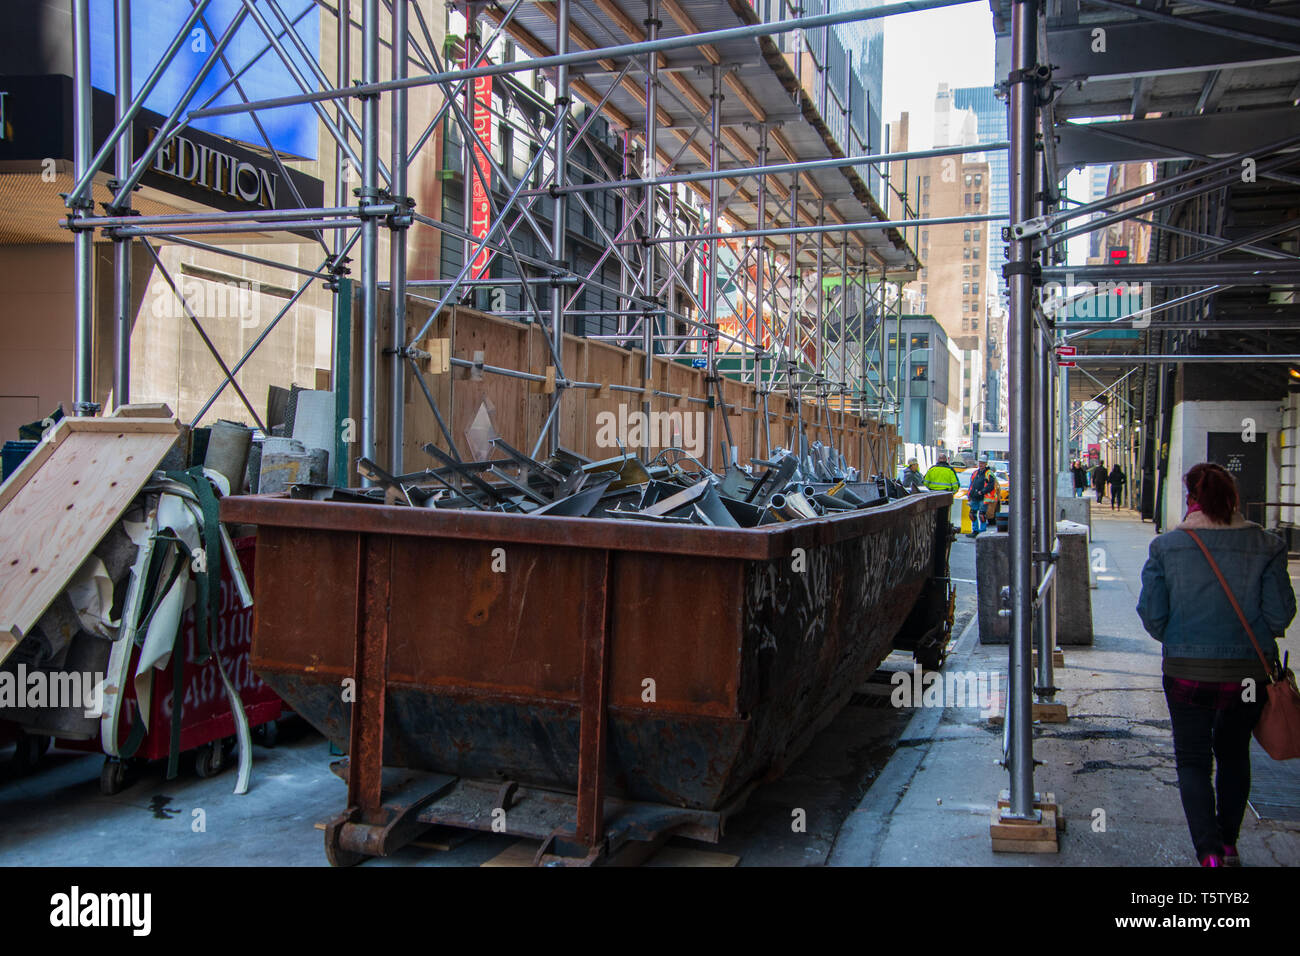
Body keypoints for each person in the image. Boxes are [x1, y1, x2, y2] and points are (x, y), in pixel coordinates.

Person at [1137, 463, 1296, 867]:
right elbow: (1279, 617)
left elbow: (1153, 616)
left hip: (1187, 674)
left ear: (1191, 500)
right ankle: (1228, 842)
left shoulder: (1167, 547)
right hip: (1247, 675)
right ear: (1233, 499)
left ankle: (1207, 853)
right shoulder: (1268, 544)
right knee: (1234, 754)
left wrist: (1183, 640)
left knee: (1192, 760)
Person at [966, 461, 997, 537]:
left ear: (986, 464)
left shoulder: (989, 473)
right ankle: (975, 531)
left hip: (984, 497)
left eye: (983, 463)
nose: (981, 465)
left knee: (982, 515)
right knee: (972, 514)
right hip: (975, 497)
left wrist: (982, 491)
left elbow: (991, 485)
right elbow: (972, 485)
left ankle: (982, 532)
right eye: (980, 463)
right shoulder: (975, 473)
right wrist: (969, 494)